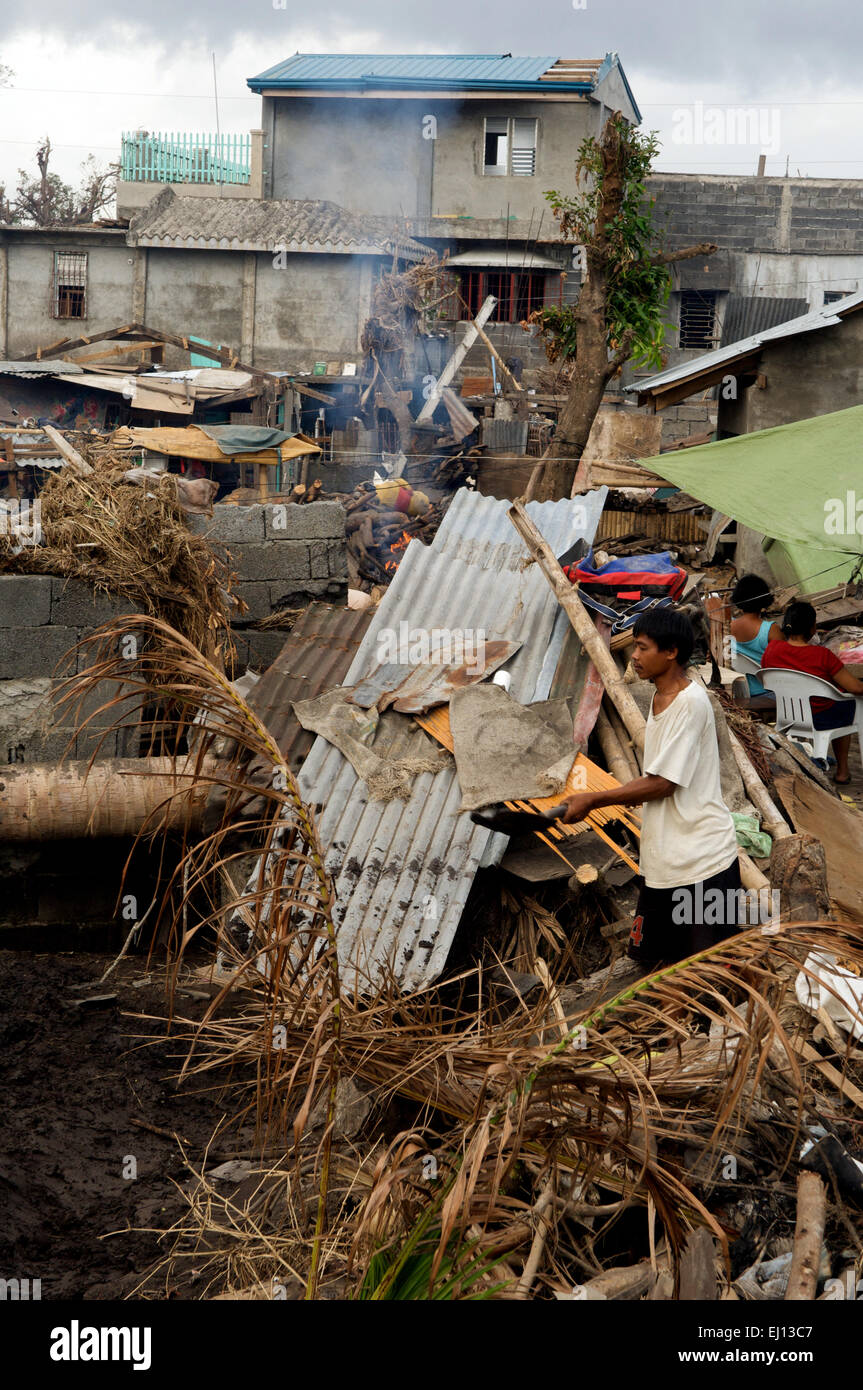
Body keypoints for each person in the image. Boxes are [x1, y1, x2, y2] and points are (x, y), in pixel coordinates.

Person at [560, 607, 741, 968]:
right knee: (656, 962)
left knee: (711, 969)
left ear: (671, 652)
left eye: (642, 648)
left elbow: (663, 783)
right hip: (664, 861)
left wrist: (593, 798)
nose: (635, 657)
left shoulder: (690, 704)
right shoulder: (660, 697)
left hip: (703, 861)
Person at [761, 600, 863, 785]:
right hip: (821, 717)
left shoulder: (772, 649)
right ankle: (842, 771)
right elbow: (856, 687)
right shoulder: (822, 655)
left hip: (787, 716)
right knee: (849, 702)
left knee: (841, 701)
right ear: (812, 627)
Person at [729, 574, 782, 708]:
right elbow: (786, 664)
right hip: (768, 694)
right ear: (764, 599)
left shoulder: (727, 627)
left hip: (737, 694)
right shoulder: (771, 630)